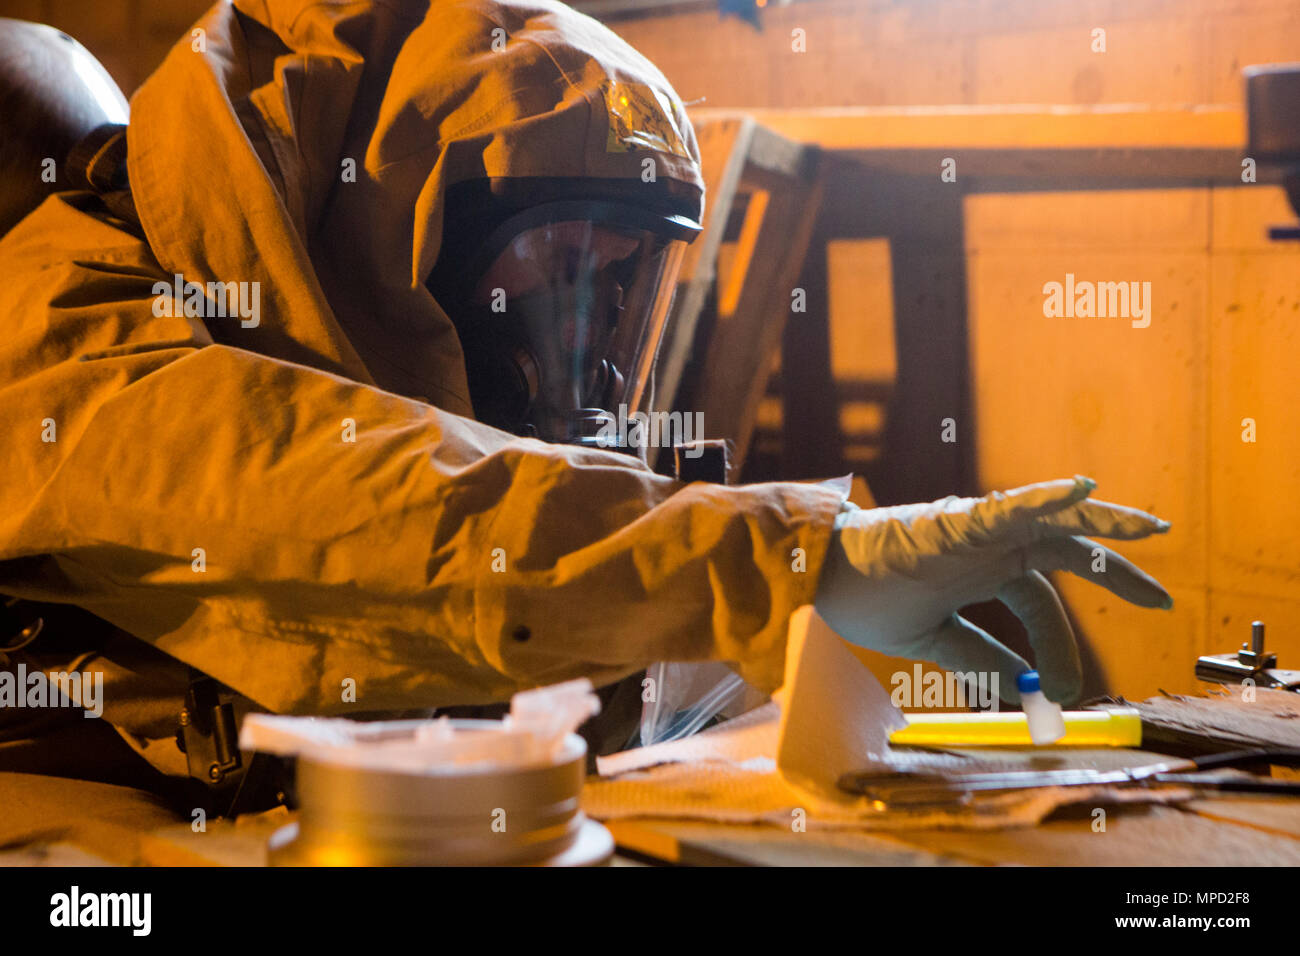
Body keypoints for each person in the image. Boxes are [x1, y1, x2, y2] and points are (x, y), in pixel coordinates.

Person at [0, 0, 1170, 792]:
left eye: (627, 284)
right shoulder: (61, 330)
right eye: (563, 273)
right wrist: (800, 560)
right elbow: (372, 506)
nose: (606, 355)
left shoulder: (328, 326)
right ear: (399, 232)